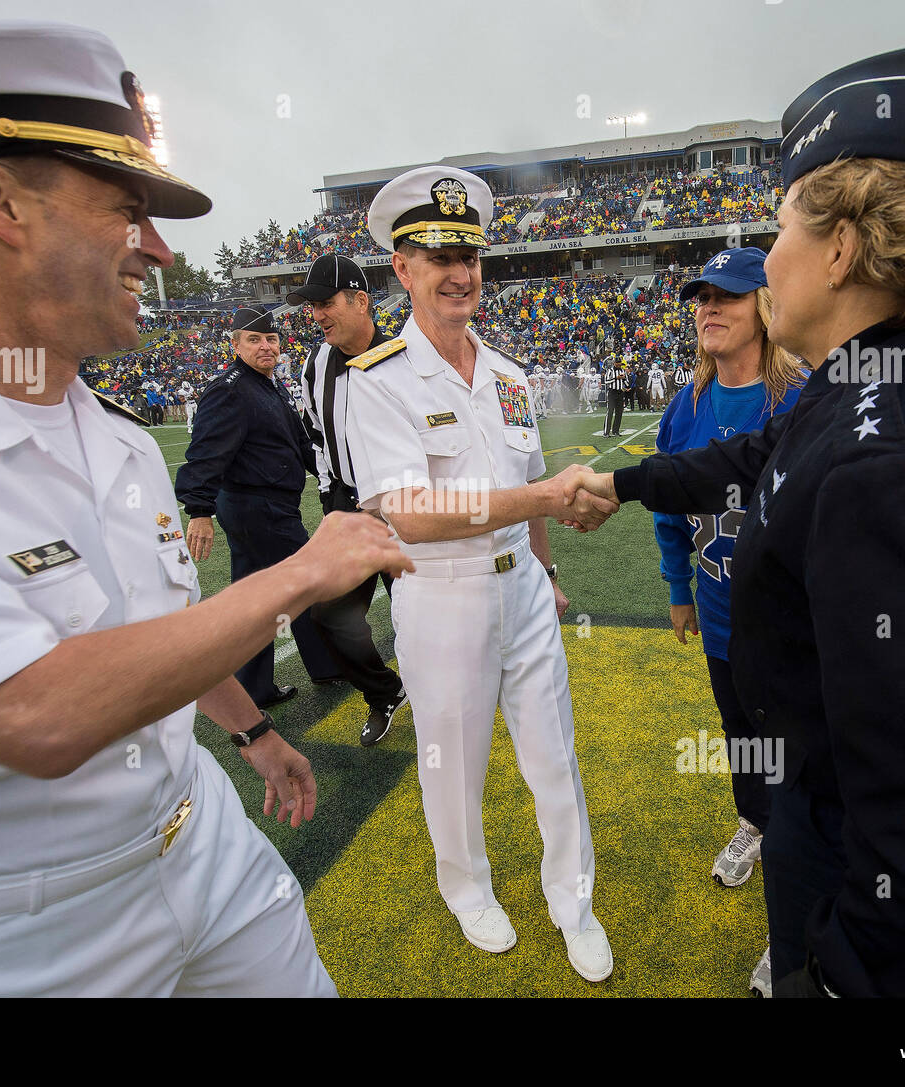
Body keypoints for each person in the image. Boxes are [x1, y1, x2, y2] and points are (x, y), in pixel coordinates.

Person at [0, 20, 413, 997]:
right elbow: (35, 712)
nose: (159, 251)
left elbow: (157, 632)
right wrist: (299, 572)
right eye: (129, 210)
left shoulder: (113, 430)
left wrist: (251, 734)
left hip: (198, 835)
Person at [565, 43, 905, 997]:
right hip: (818, 792)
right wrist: (627, 486)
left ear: (842, 247)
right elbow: (766, 457)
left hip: (842, 841)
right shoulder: (891, 374)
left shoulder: (888, 464)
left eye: (784, 227)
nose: (771, 262)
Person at [345, 165, 617, 982]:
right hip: (442, 593)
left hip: (522, 590)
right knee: (451, 759)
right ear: (403, 269)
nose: (459, 271)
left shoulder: (508, 375)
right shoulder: (378, 378)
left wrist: (547, 565)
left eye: (469, 253)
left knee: (554, 754)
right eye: (437, 256)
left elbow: (526, 488)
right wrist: (536, 496)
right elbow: (410, 511)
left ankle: (574, 900)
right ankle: (466, 888)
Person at [655, 247, 805, 996]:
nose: (709, 308)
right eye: (701, 297)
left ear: (765, 308)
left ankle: (795, 928)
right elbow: (665, 503)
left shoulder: (803, 395)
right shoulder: (685, 404)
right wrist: (675, 584)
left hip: (794, 626)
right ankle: (754, 821)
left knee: (804, 768)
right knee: (742, 737)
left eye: (730, 296)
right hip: (719, 614)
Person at [175, 306, 345, 707]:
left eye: (270, 339)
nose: (265, 346)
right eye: (254, 340)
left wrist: (333, 475)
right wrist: (199, 510)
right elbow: (204, 453)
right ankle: (328, 665)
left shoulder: (269, 385)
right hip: (256, 508)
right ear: (235, 345)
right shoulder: (230, 389)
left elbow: (300, 444)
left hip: (268, 507)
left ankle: (258, 687)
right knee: (304, 582)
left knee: (259, 599)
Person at [291, 254, 408, 746]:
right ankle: (385, 692)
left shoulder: (407, 359)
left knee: (421, 611)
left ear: (361, 301)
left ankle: (449, 696)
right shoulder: (315, 363)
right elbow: (316, 435)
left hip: (404, 506)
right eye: (312, 305)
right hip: (348, 503)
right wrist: (328, 492)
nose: (316, 314)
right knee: (329, 615)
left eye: (325, 302)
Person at [602, 357, 627, 436]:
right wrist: (616, 378)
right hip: (612, 392)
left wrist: (624, 378)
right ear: (614, 363)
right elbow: (606, 381)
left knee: (619, 412)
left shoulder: (622, 370)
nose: (619, 364)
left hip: (620, 392)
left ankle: (616, 431)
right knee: (610, 412)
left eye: (620, 362)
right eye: (618, 362)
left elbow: (626, 382)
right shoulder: (610, 371)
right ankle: (606, 432)